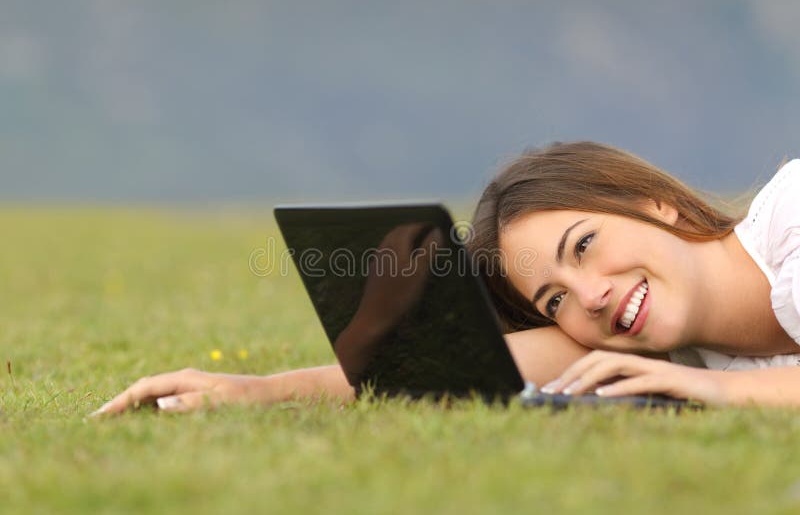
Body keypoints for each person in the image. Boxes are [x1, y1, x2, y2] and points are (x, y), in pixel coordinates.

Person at [90, 141, 800, 416]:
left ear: (654, 203)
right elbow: (454, 367)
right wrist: (251, 391)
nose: (590, 296)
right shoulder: (643, 341)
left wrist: (720, 392)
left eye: (584, 245)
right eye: (553, 298)